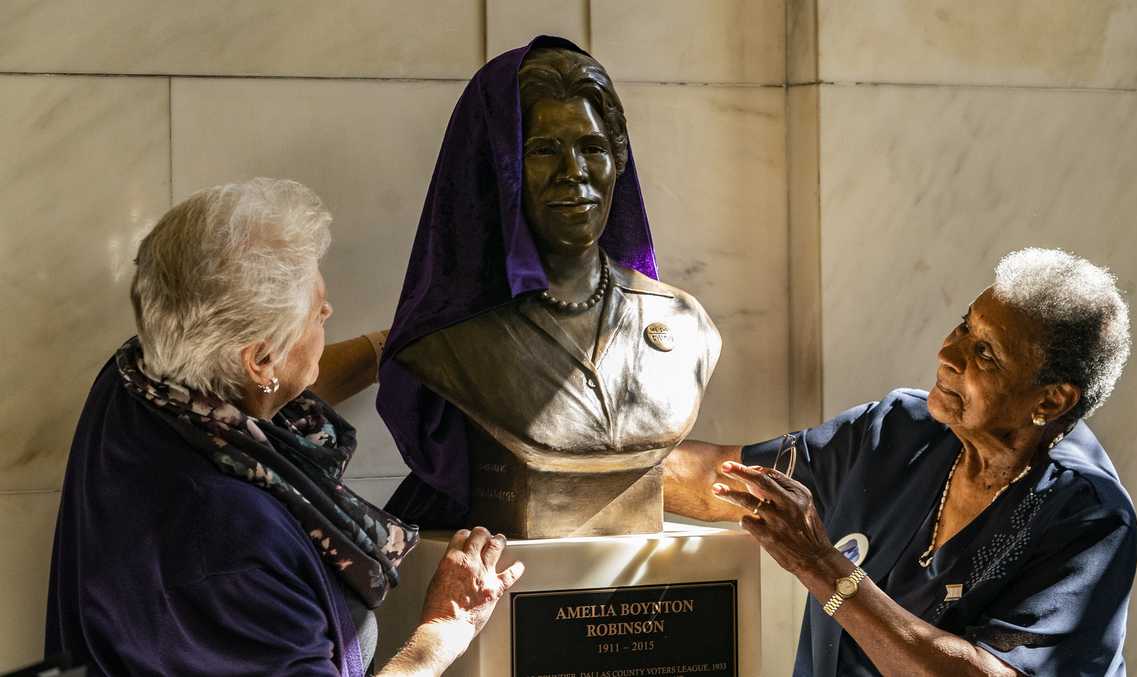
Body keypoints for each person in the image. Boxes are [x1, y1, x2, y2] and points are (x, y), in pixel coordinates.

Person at [46, 179, 524, 676]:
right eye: (315, 310)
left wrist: (393, 348)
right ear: (261, 360)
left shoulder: (139, 376)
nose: (327, 311)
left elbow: (276, 389)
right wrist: (441, 633)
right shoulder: (236, 545)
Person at [665, 248, 1137, 676]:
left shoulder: (1088, 517)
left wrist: (822, 566)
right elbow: (719, 480)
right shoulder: (896, 431)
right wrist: (596, 462)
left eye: (985, 353)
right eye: (964, 326)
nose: (948, 354)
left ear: (1051, 402)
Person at [376, 36, 720, 531]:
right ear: (501, 170)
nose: (573, 173)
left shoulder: (684, 325)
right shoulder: (450, 342)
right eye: (543, 150)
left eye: (593, 147)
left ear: (618, 162)